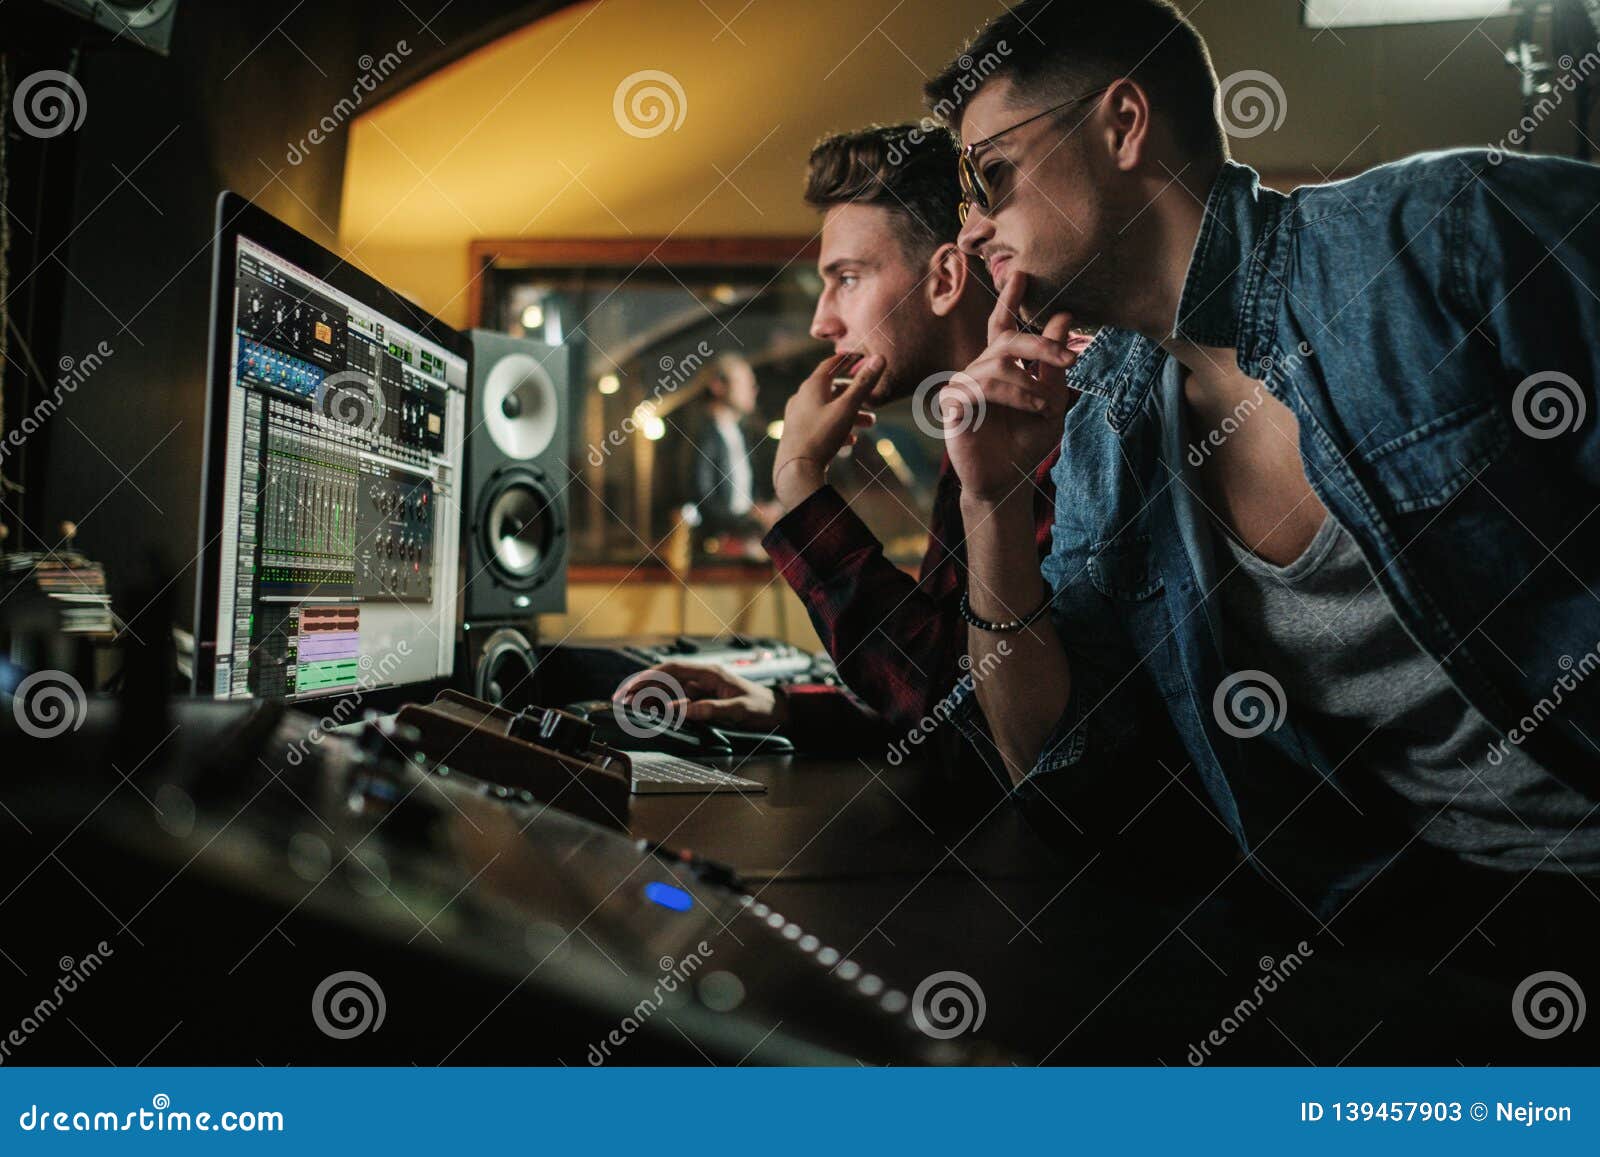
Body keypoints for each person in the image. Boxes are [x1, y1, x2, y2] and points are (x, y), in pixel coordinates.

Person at [927, 0, 1600, 943]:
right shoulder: (1107, 435)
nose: (970, 232)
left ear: (1123, 125)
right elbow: (1061, 768)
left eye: (991, 174)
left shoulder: (1443, 233)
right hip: (1425, 930)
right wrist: (991, 501)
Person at [618, 124, 1068, 764]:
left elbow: (974, 729)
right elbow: (956, 684)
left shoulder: (1057, 438)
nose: (821, 321)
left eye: (848, 278)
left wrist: (801, 481)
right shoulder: (977, 428)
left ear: (945, 279)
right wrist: (785, 708)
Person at [686, 354, 779, 545]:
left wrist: (761, 510)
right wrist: (750, 519)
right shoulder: (700, 434)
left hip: (746, 538)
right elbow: (702, 501)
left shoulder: (744, 433)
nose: (753, 390)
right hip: (716, 544)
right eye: (744, 383)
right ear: (718, 386)